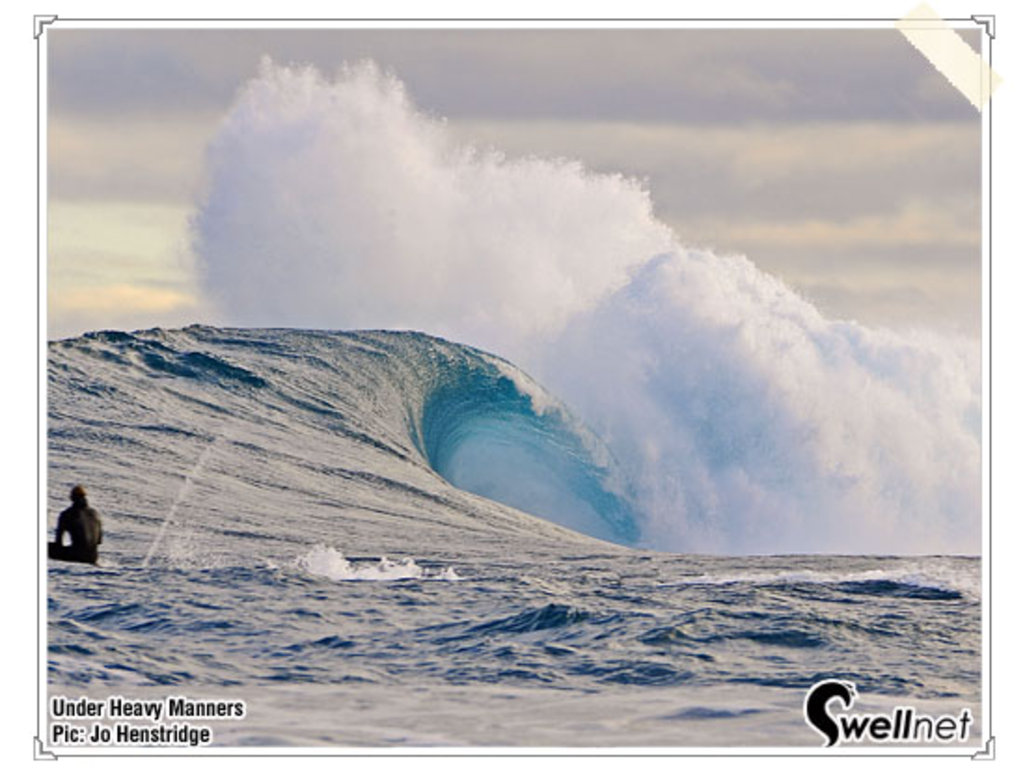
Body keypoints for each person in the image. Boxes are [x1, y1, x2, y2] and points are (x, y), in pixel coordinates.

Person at [50, 485, 103, 564]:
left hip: (76, 556)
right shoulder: (95, 513)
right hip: (93, 557)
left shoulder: (67, 514)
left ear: (72, 498)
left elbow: (58, 541)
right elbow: (99, 541)